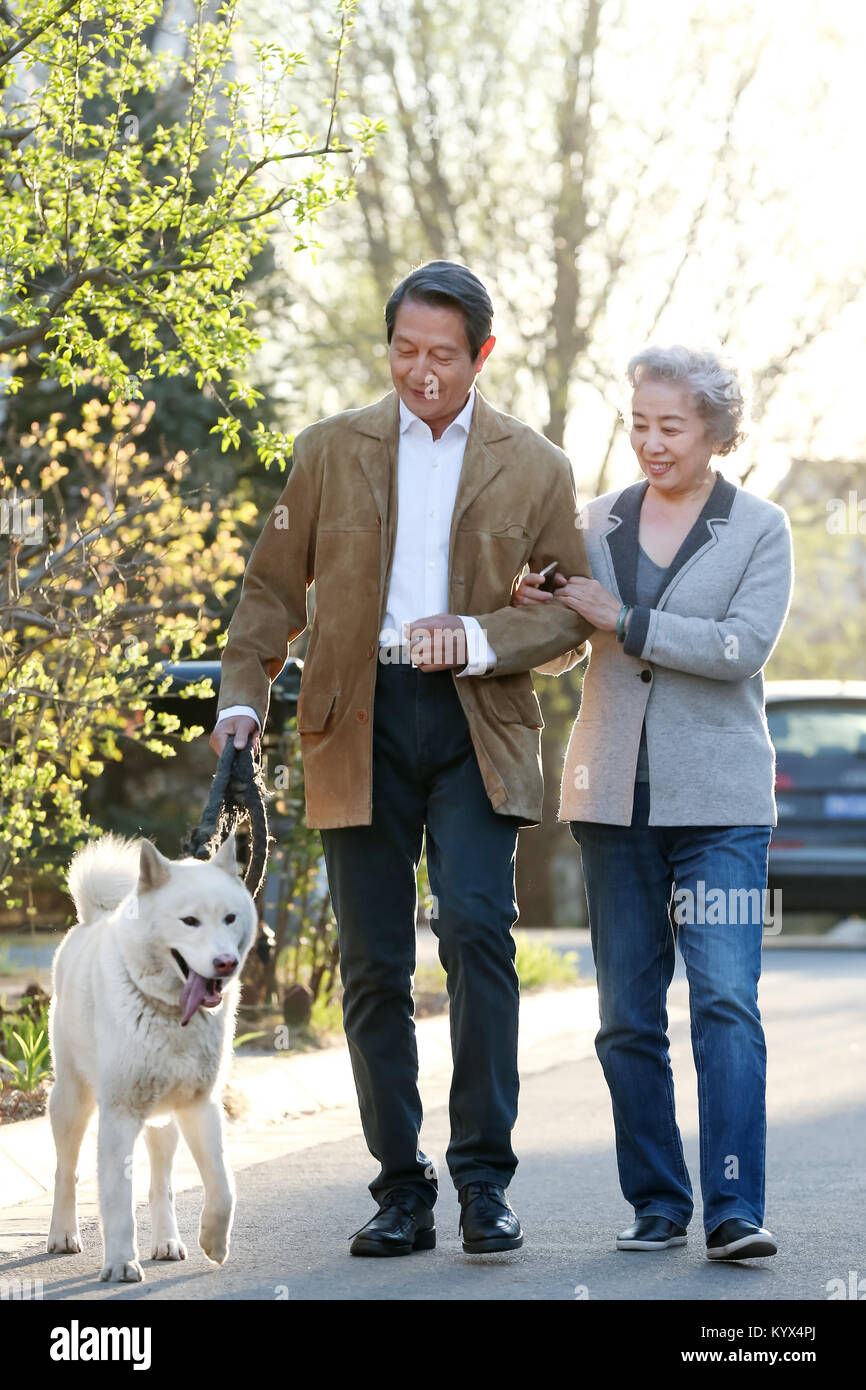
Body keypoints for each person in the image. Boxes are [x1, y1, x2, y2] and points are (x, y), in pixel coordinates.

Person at [210, 262, 593, 1257]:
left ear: (481, 355)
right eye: (405, 351)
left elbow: (569, 611)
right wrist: (243, 702)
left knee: (474, 931)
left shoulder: (535, 464)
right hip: (355, 719)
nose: (421, 371)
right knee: (372, 962)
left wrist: (472, 635)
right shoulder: (327, 451)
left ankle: (482, 1180)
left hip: (475, 723)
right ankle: (398, 1187)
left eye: (441, 355)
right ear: (389, 348)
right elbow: (265, 599)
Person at [514, 344, 794, 1261]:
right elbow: (563, 651)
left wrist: (621, 619)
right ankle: (657, 1202)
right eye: (638, 423)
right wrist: (541, 612)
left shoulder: (761, 528)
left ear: (715, 430)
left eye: (670, 425)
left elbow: (740, 648)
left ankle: (733, 1207)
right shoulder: (592, 520)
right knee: (627, 1015)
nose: (651, 441)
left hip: (721, 804)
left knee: (724, 1001)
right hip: (609, 799)